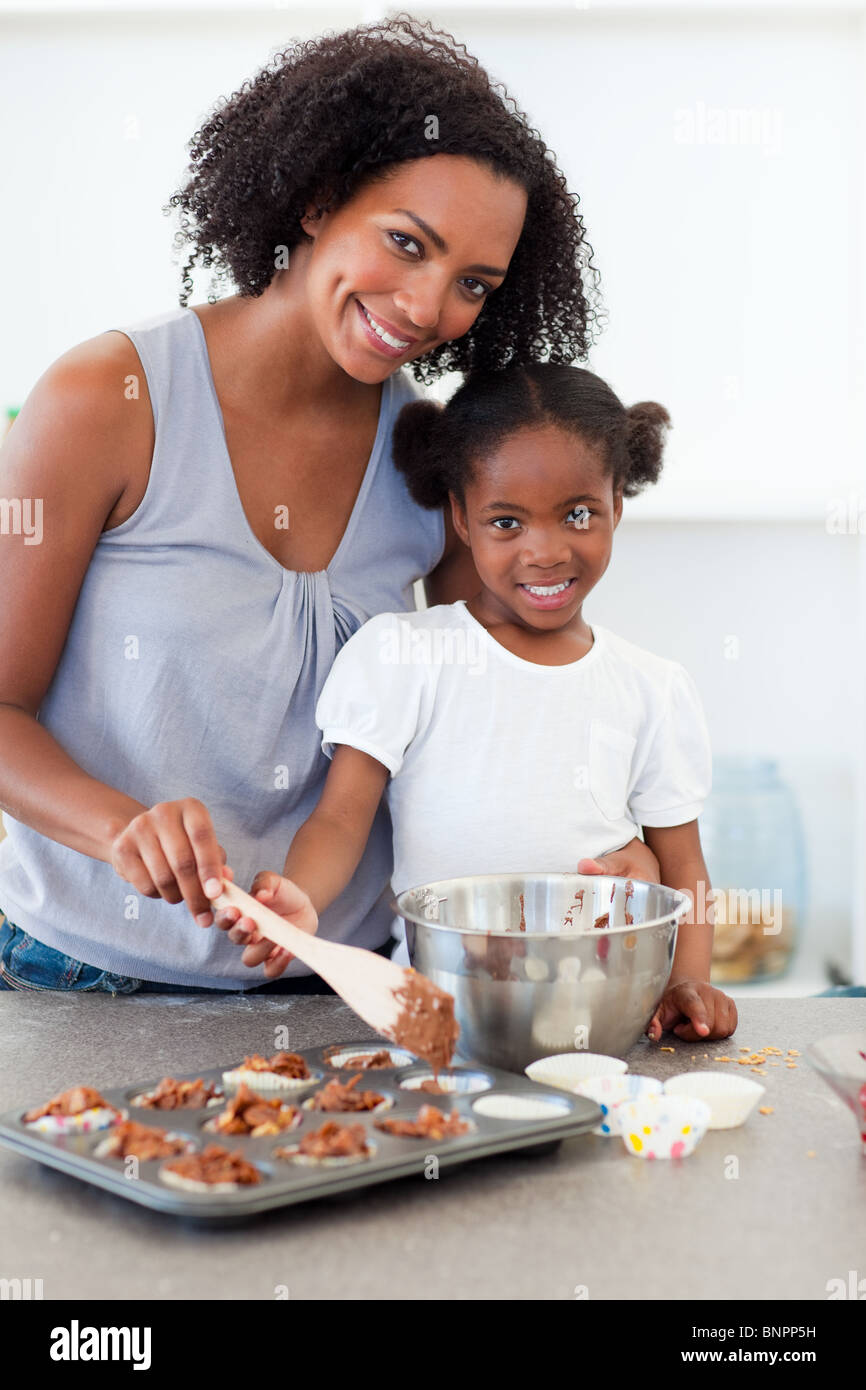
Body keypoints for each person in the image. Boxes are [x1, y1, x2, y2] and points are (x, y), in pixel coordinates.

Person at [0, 17, 659, 995]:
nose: (429, 307)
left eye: (470, 282)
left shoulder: (435, 462)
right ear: (315, 200)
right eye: (405, 242)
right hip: (89, 977)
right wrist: (118, 824)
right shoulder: (108, 400)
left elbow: (499, 700)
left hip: (339, 982)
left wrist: (621, 852)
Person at [214, 364, 738, 1041]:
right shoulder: (403, 655)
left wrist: (687, 984)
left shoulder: (652, 687)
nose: (545, 551)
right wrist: (300, 899)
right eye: (507, 522)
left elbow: (683, 867)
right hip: (435, 1021)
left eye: (578, 514)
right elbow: (341, 821)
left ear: (618, 504)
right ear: (460, 516)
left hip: (599, 1022)